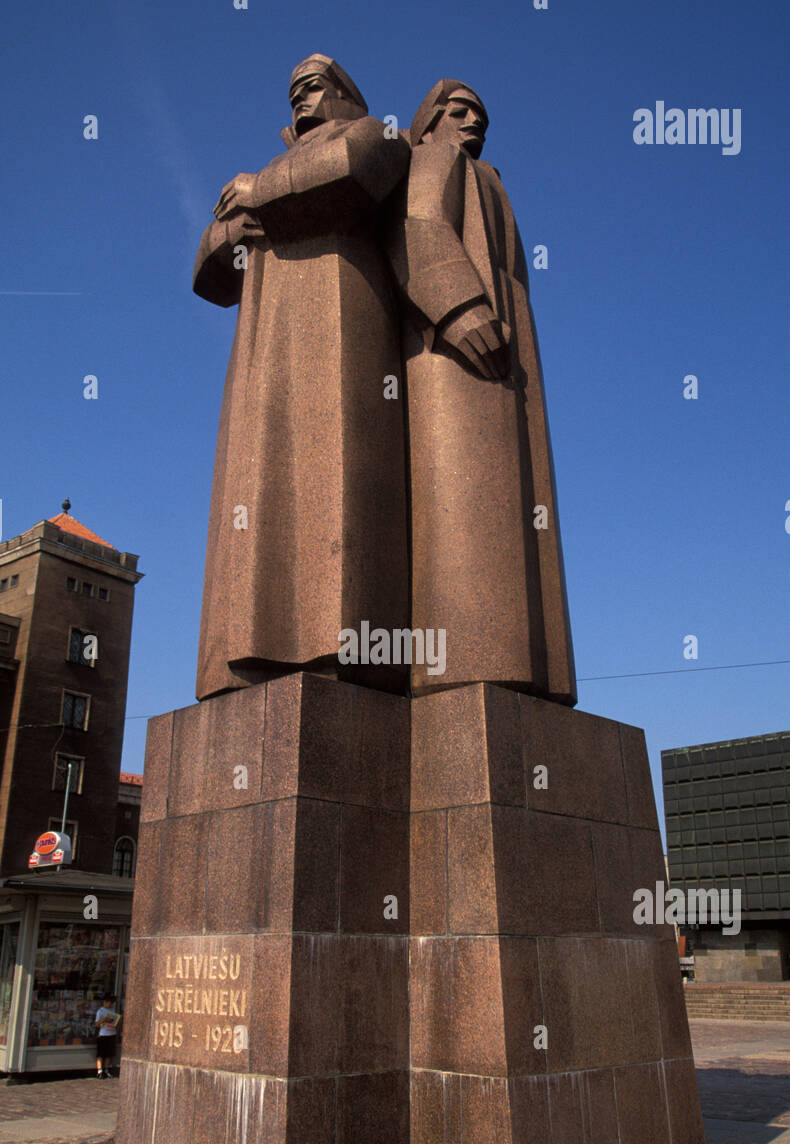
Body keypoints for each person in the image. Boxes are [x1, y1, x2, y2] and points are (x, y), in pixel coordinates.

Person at [193, 54, 411, 699]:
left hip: (344, 314)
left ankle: (339, 646)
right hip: (264, 339)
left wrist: (257, 195)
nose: (299, 102)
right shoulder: (275, 169)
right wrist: (266, 203)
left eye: (311, 87)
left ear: (344, 91)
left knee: (335, 465)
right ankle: (251, 655)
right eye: (292, 93)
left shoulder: (376, 132)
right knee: (256, 484)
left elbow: (350, 174)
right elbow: (209, 264)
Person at [385, 80, 577, 701]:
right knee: (463, 499)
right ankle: (469, 665)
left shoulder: (487, 176)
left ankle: (525, 672)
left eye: (481, 114)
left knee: (519, 513)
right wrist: (460, 307)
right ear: (429, 121)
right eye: (459, 110)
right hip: (452, 358)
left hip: (507, 359)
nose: (474, 122)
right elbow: (415, 225)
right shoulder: (433, 158)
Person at [94, 995, 121, 1079]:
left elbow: (117, 1022)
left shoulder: (113, 1010)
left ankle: (106, 1069)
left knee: (109, 1054)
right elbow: (96, 1024)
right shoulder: (100, 1011)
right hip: (103, 1034)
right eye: (109, 1003)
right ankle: (99, 1071)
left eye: (111, 1003)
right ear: (105, 1002)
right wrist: (104, 1019)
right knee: (101, 1054)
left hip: (111, 1033)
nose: (110, 1005)